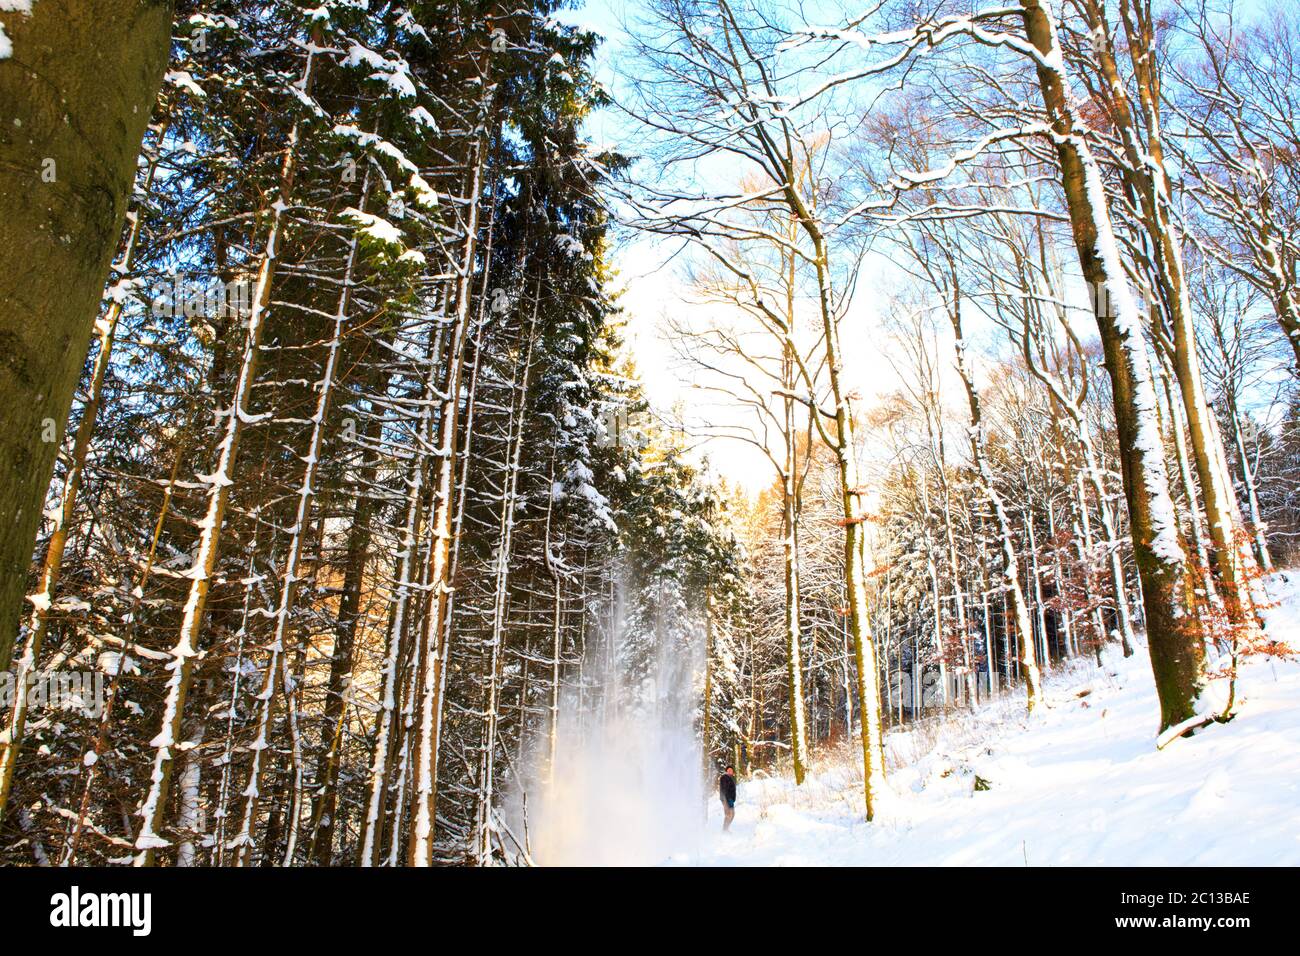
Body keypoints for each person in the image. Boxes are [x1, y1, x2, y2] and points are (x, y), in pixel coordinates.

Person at [718, 765, 737, 832]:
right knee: (728, 814)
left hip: (730, 799)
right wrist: (727, 799)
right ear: (726, 771)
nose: (730, 771)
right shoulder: (724, 777)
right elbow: (724, 789)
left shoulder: (732, 778)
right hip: (725, 798)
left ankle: (726, 828)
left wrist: (732, 799)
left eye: (731, 770)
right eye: (728, 770)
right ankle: (724, 830)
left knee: (732, 814)